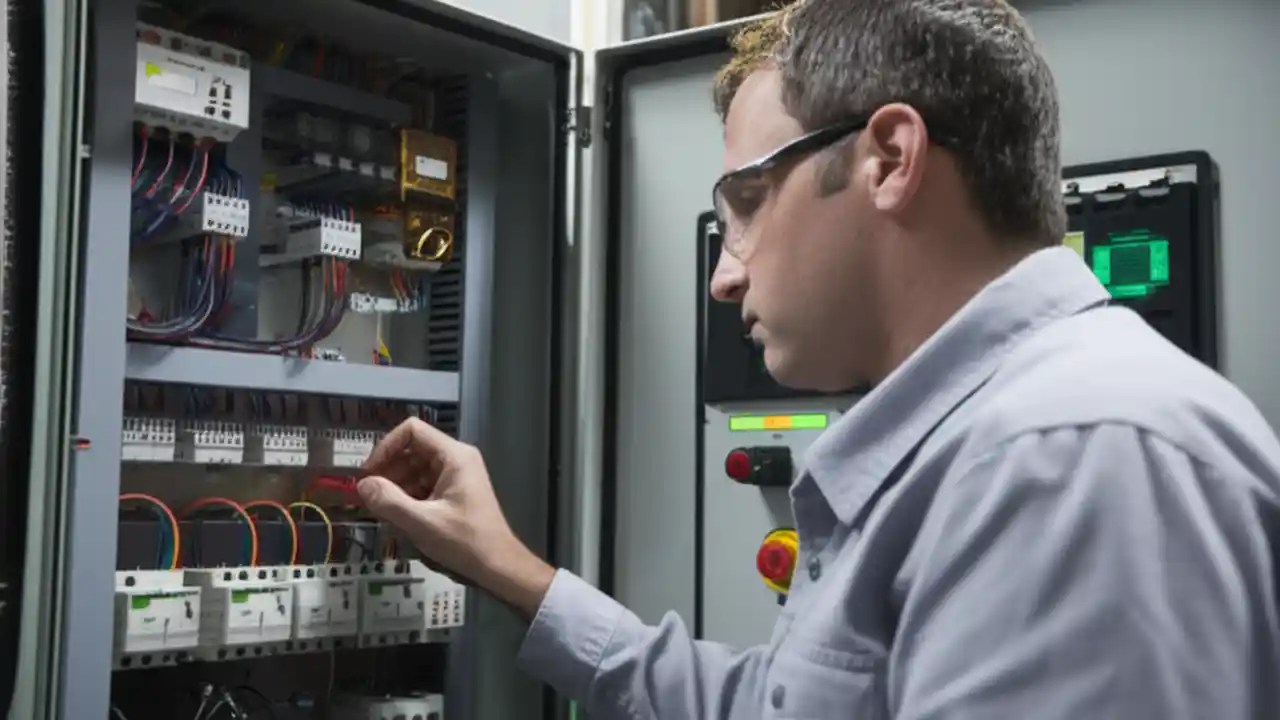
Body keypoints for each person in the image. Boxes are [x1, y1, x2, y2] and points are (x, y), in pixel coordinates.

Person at [358, 0, 1280, 717]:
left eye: (747, 204)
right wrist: (512, 570)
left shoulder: (1073, 457)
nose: (723, 276)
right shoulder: (985, 447)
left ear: (887, 159)